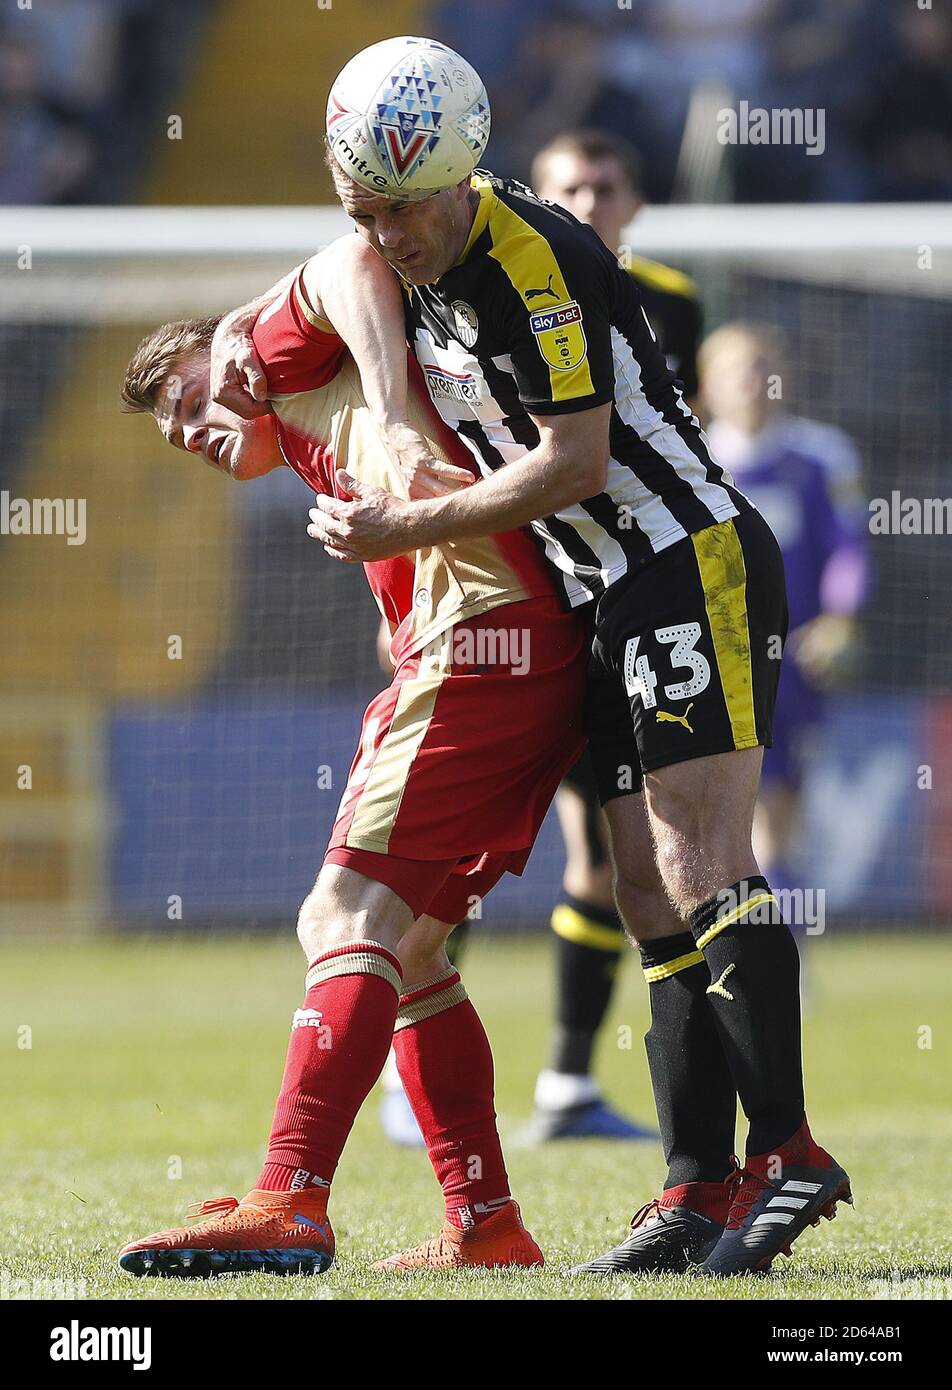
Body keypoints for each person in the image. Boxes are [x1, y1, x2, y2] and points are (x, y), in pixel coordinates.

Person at [223, 36, 854, 1278]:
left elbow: (574, 462)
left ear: (463, 176)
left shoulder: (536, 261)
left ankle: (789, 1150)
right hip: (599, 594)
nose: (387, 235)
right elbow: (340, 270)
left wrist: (399, 525)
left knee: (700, 857)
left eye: (404, 209)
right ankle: (696, 1186)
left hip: (683, 557)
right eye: (364, 210)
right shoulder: (401, 245)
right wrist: (260, 342)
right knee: (641, 887)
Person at [115, 232, 589, 1276]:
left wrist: (386, 407)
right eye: (173, 434)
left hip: (482, 644)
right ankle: (487, 1225)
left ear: (225, 353)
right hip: (510, 649)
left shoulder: (268, 360)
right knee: (410, 949)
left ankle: (288, 1198)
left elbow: (347, 260)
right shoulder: (303, 440)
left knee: (339, 918)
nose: (189, 430)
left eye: (188, 399)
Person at [524, 128, 703, 1142]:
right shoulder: (501, 296)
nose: (589, 202)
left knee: (631, 857)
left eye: (605, 185)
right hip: (538, 600)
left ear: (634, 201)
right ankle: (413, 1077)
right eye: (569, 188)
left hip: (643, 592)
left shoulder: (673, 300)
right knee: (475, 852)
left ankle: (570, 1086)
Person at [699, 323, 867, 896]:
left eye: (763, 368)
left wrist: (840, 620)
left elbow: (847, 548)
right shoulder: (689, 458)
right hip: (709, 659)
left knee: (780, 818)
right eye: (737, 370)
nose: (753, 382)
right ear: (708, 384)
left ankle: (779, 940)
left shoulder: (822, 455)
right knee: (726, 822)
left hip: (793, 663)